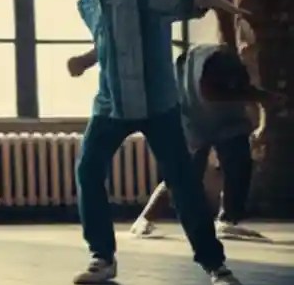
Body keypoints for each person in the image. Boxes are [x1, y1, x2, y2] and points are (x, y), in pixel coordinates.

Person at [62, 0, 248, 285]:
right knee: (88, 172)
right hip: (109, 105)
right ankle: (102, 256)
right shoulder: (87, 4)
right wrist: (86, 60)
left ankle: (216, 266)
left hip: (158, 106)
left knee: (182, 181)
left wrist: (224, 4)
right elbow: (110, 40)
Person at [77, 43, 281, 240]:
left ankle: (228, 219)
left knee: (239, 163)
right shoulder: (214, 62)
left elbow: (257, 97)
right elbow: (211, 92)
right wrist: (258, 95)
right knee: (184, 173)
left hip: (227, 119)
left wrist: (262, 125)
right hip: (192, 116)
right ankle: (145, 219)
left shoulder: (239, 67)